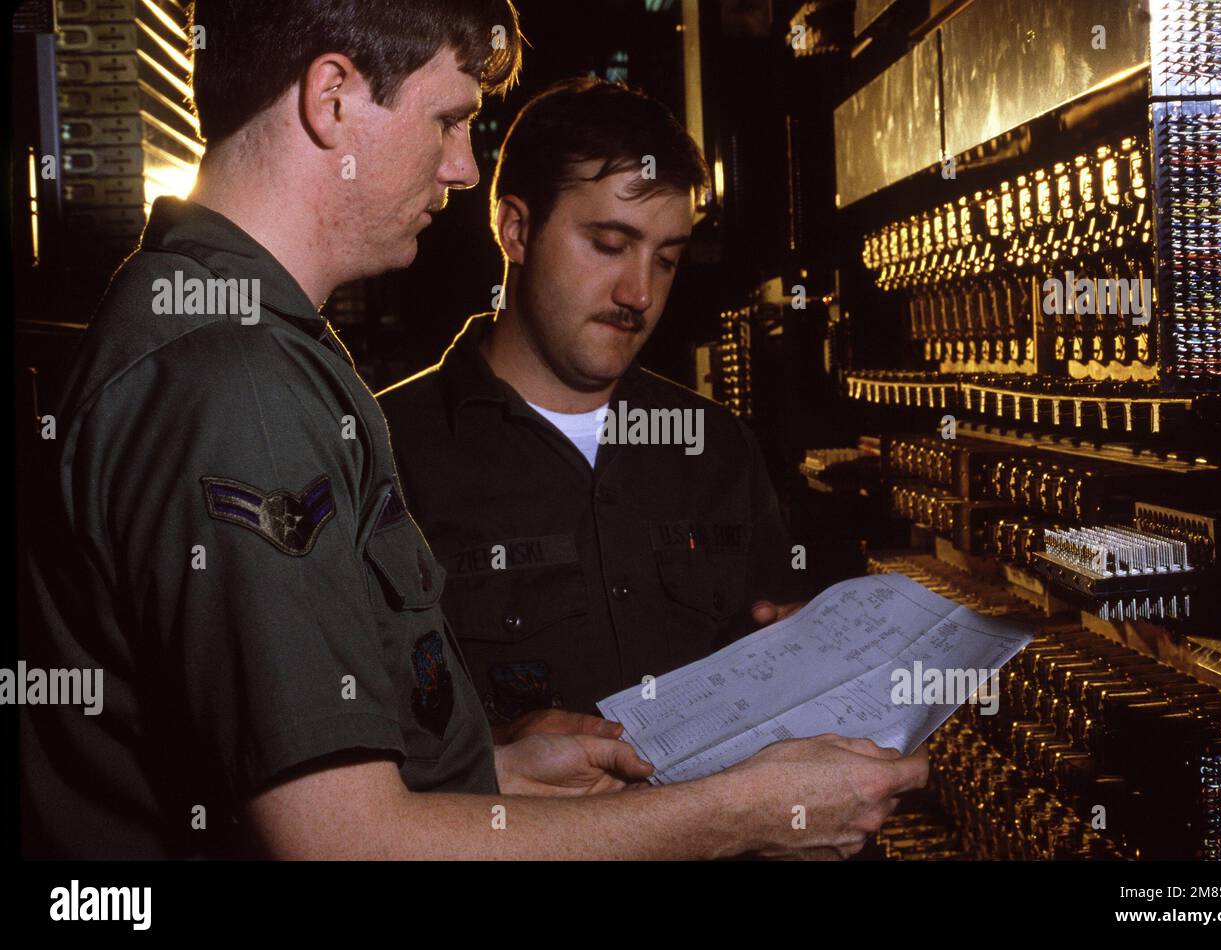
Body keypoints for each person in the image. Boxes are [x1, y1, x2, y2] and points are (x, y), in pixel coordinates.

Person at [20, 0, 927, 860]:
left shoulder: (239, 347)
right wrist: (740, 812)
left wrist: (481, 771)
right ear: (332, 99)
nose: (460, 166)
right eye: (448, 120)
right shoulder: (235, 382)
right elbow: (341, 843)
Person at [379, 79, 814, 739]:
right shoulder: (386, 451)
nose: (639, 293)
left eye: (666, 260)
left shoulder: (717, 447)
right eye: (609, 245)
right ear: (516, 230)